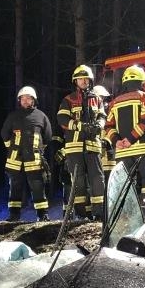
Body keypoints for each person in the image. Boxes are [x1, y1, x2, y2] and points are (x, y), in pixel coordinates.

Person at [104, 65, 145, 220]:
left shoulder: (114, 102)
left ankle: (126, 215)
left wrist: (117, 141)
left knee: (126, 183)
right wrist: (130, 139)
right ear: (140, 81)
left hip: (122, 151)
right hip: (143, 147)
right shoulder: (144, 97)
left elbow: (108, 126)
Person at [57, 65, 106, 220]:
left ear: (90, 81)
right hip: (74, 147)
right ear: (75, 81)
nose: (84, 81)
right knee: (78, 181)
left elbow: (103, 116)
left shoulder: (96, 99)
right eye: (80, 79)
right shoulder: (68, 99)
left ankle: (99, 214)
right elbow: (62, 119)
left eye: (86, 79)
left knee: (97, 179)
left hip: (93, 146)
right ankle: (81, 214)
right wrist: (80, 126)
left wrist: (99, 125)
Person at [0, 86, 54, 221]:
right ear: (19, 100)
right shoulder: (13, 116)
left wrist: (39, 149)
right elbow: (4, 134)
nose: (25, 101)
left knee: (38, 187)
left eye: (28, 98)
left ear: (33, 100)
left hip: (34, 159)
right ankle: (14, 215)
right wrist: (12, 148)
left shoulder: (41, 116)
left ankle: (42, 215)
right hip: (15, 160)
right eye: (22, 98)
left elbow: (48, 136)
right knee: (15, 187)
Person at [91, 85, 116, 185]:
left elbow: (114, 127)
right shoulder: (90, 114)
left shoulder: (110, 112)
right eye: (101, 97)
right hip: (96, 155)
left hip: (109, 155)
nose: (103, 101)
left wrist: (107, 140)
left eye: (104, 98)